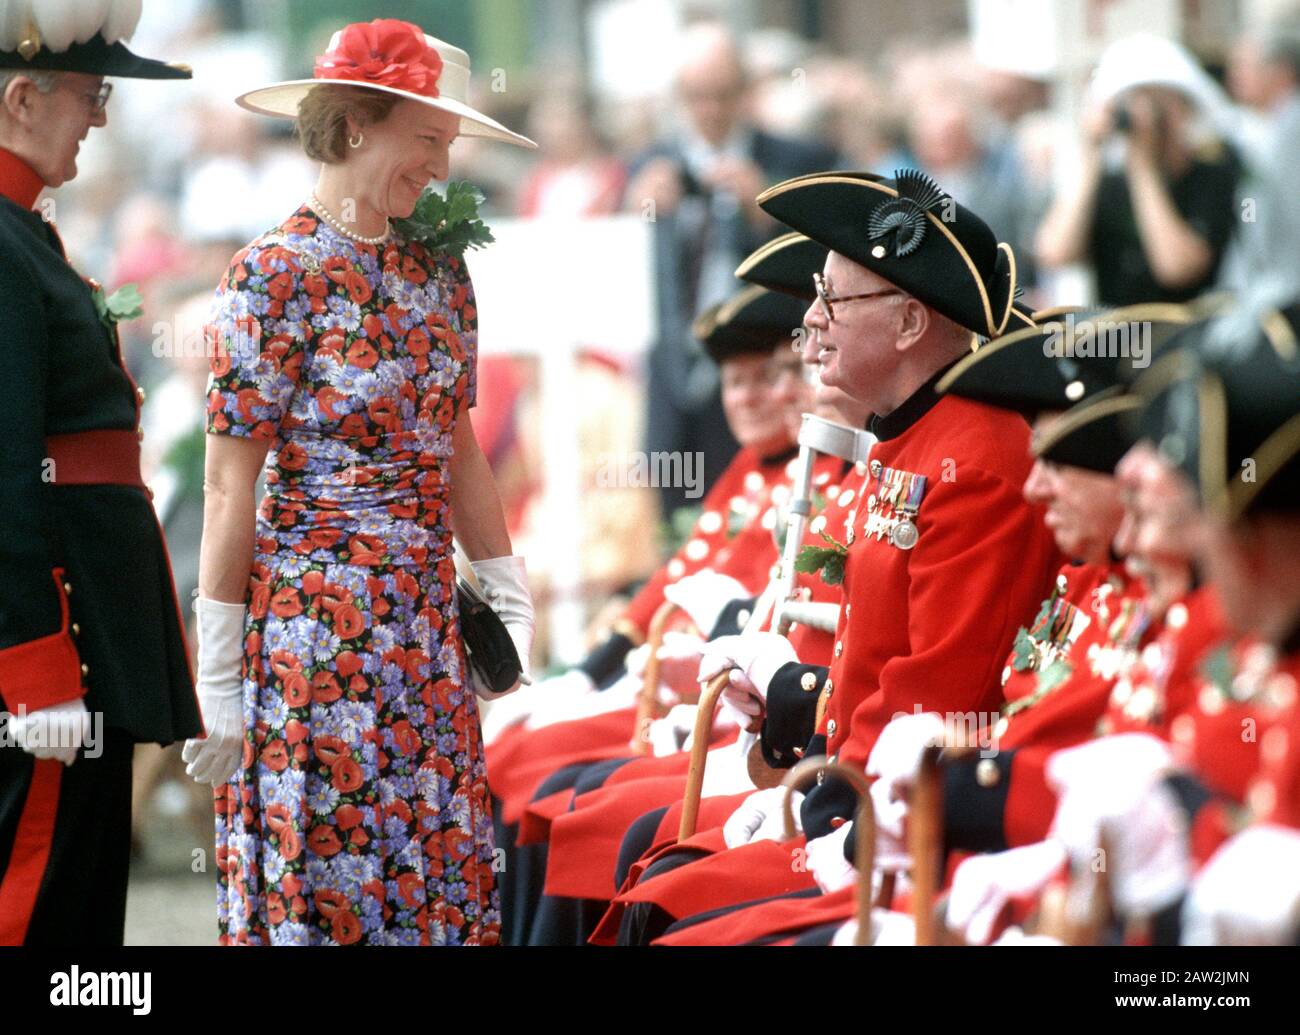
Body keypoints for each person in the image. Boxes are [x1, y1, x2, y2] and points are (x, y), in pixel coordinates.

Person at [603, 170, 1060, 943]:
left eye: (834, 300)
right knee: (643, 864)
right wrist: (799, 730)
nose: (811, 320)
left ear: (911, 322)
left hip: (889, 826)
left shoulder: (973, 456)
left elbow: (940, 692)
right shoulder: (910, 435)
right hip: (839, 786)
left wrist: (826, 806)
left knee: (662, 903)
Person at [184, 18, 537, 946]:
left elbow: (456, 443)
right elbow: (229, 487)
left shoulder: (440, 267)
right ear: (353, 129)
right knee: (331, 880)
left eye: (446, 145)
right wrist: (216, 669)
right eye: (427, 140)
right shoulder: (270, 275)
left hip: (423, 632)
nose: (440, 167)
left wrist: (505, 587)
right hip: (317, 643)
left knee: (433, 878)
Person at [0, 0, 200, 945]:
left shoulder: (22, 231)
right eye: (91, 92)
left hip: (81, 632)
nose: (103, 116)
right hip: (52, 642)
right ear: (18, 99)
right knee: (37, 913)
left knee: (78, 919)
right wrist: (37, 664)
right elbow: (6, 469)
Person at [627, 20, 841, 522]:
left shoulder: (798, 158)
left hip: (768, 381)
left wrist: (767, 206)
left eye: (722, 94)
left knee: (767, 521)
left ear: (746, 91)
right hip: (675, 384)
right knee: (680, 535)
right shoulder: (651, 165)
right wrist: (640, 208)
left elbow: (831, 264)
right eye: (697, 96)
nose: (711, 110)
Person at [1036, 35, 1241, 307]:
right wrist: (1090, 155)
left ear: (1183, 109)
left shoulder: (1213, 176)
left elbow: (1178, 270)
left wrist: (1143, 169)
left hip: (1191, 337)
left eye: (1156, 104)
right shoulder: (1108, 184)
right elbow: (1055, 254)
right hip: (1118, 340)